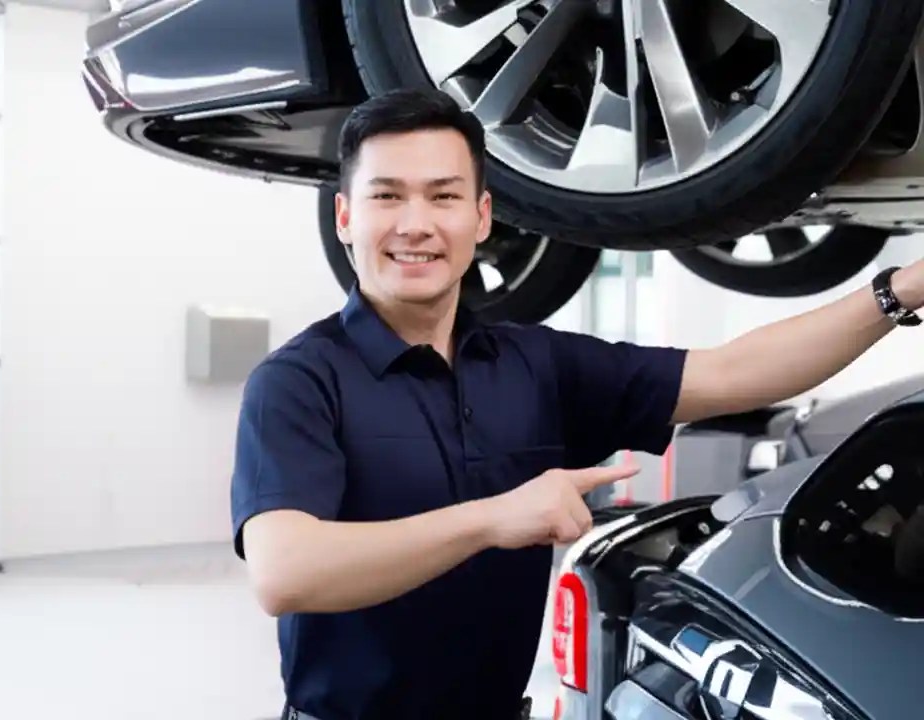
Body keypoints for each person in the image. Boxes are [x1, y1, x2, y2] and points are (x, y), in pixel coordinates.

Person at [229, 88, 924, 720]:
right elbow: (287, 571)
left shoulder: (535, 366)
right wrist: (494, 519)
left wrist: (901, 291)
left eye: (443, 197)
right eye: (388, 197)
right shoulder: (298, 382)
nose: (416, 224)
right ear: (346, 216)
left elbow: (736, 372)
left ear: (481, 218)